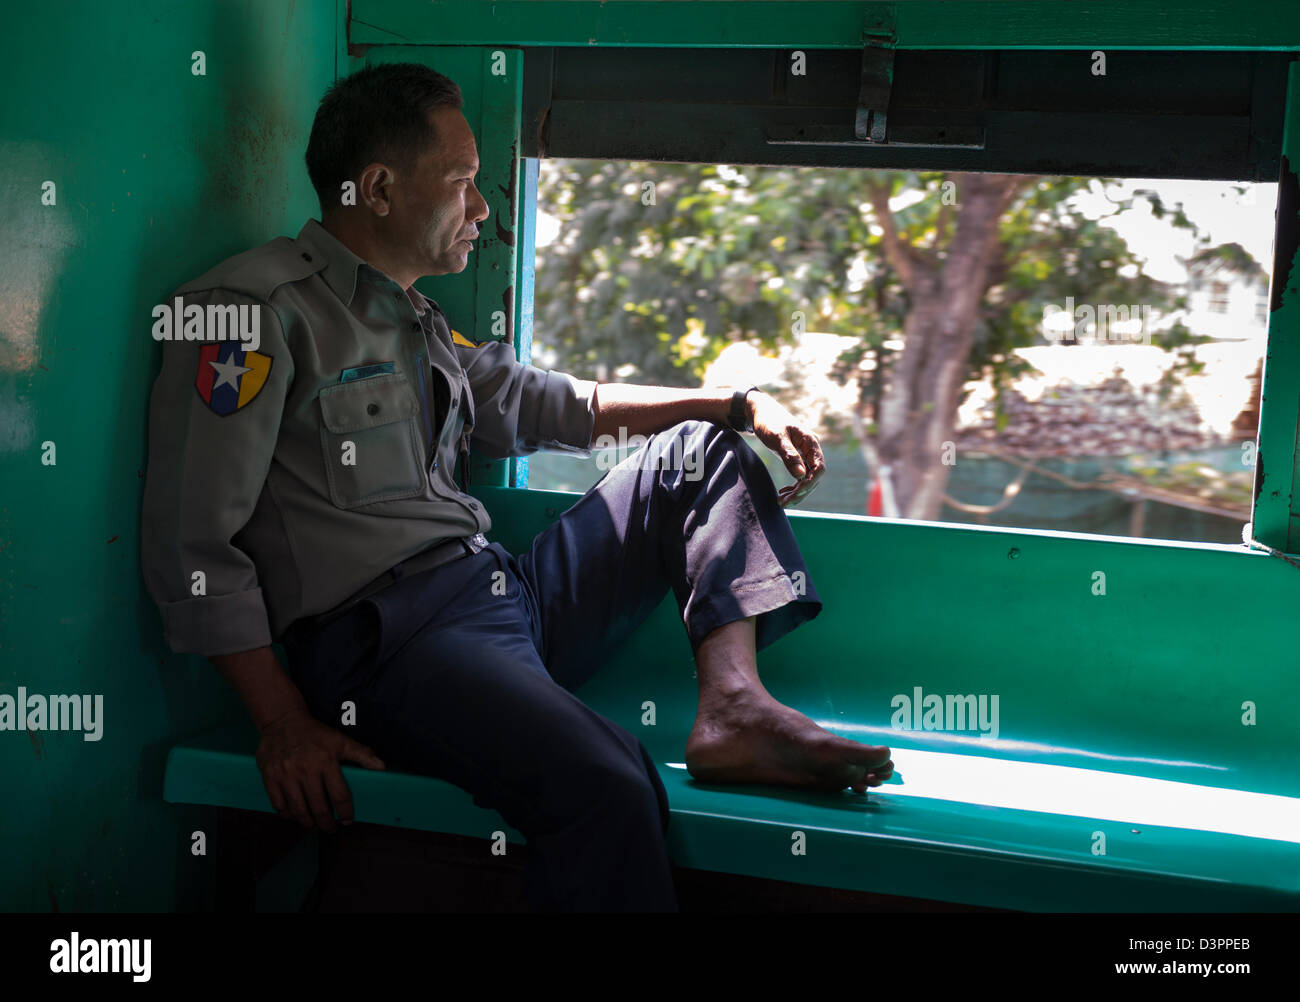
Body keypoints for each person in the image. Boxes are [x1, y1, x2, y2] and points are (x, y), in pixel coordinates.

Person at [141, 62, 893, 911]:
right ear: (380, 188)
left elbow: (561, 405)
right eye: (463, 183)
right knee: (610, 784)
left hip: (501, 599)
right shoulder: (253, 313)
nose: (483, 207)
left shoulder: (415, 320)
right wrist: (280, 721)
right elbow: (190, 542)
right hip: (392, 644)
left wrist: (739, 404)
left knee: (696, 451)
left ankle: (733, 708)